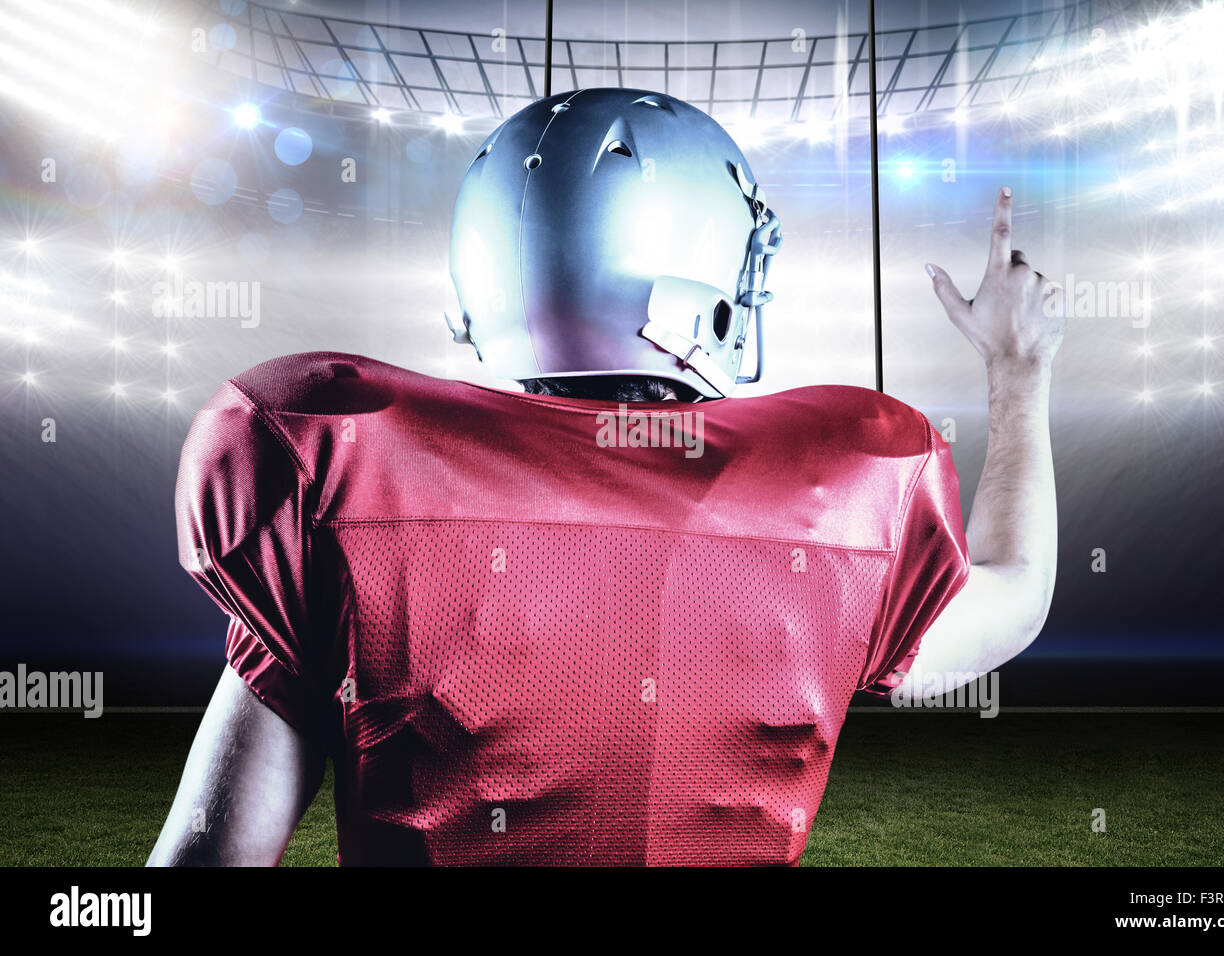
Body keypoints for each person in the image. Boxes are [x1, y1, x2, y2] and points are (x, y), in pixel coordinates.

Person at [149, 89, 1063, 866]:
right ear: (697, 284)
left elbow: (205, 859)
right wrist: (1018, 372)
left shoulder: (339, 465)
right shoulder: (842, 489)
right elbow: (1013, 599)